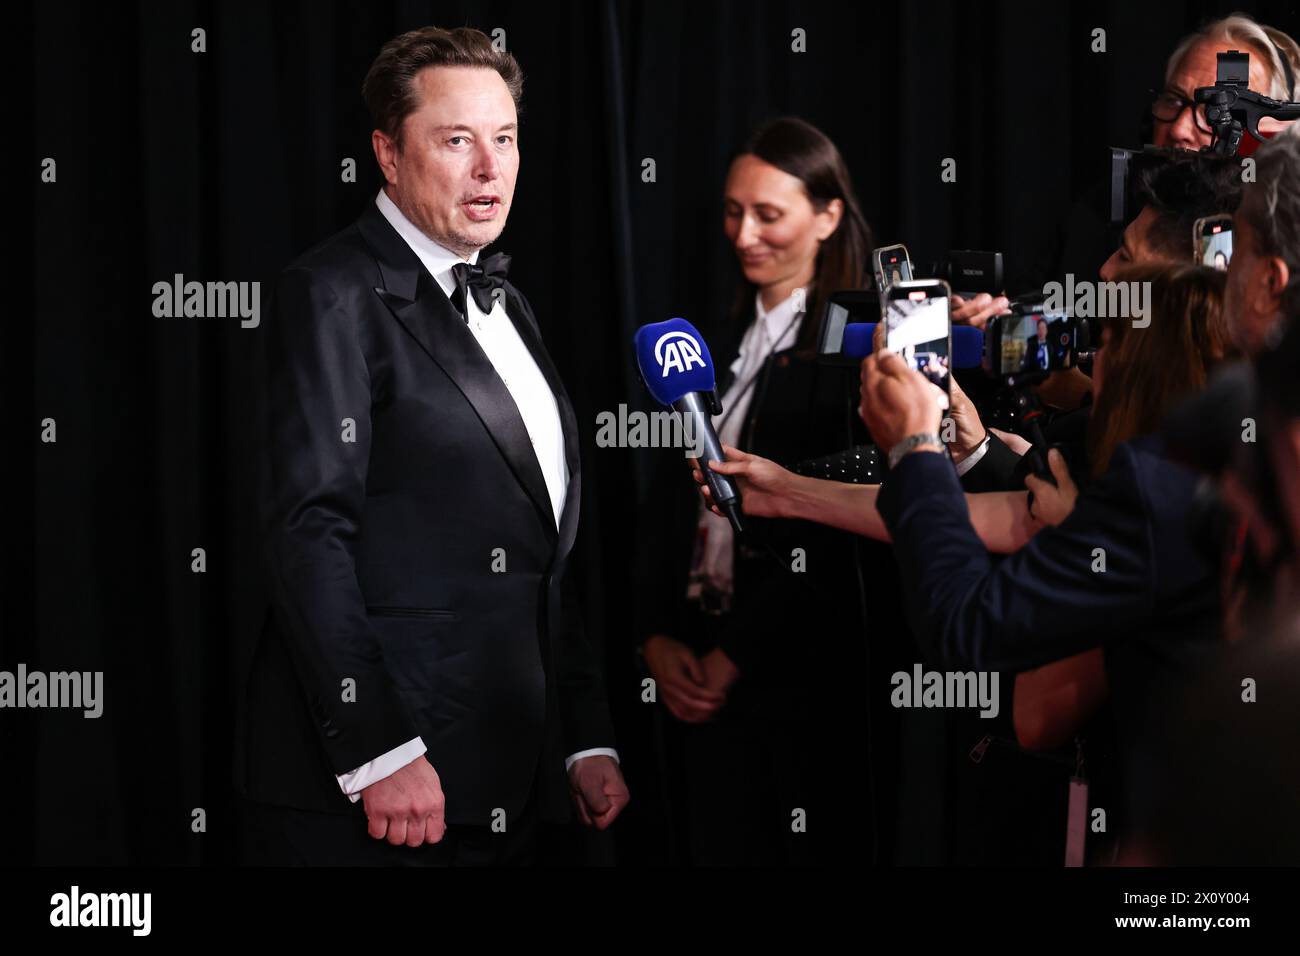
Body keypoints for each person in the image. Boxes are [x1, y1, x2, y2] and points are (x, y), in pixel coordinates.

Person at [239, 25, 627, 867]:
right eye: (457, 141)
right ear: (387, 154)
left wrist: (583, 735)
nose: (491, 169)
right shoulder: (329, 293)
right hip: (384, 798)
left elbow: (540, 548)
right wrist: (380, 748)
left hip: (513, 780)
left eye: (505, 139)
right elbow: (308, 533)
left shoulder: (508, 302)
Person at [634, 116, 905, 866]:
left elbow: (831, 527)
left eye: (768, 214)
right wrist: (656, 633)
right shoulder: (716, 342)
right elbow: (668, 505)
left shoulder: (861, 352)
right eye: (732, 210)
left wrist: (736, 656)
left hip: (800, 684)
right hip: (695, 652)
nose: (744, 232)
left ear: (826, 217)